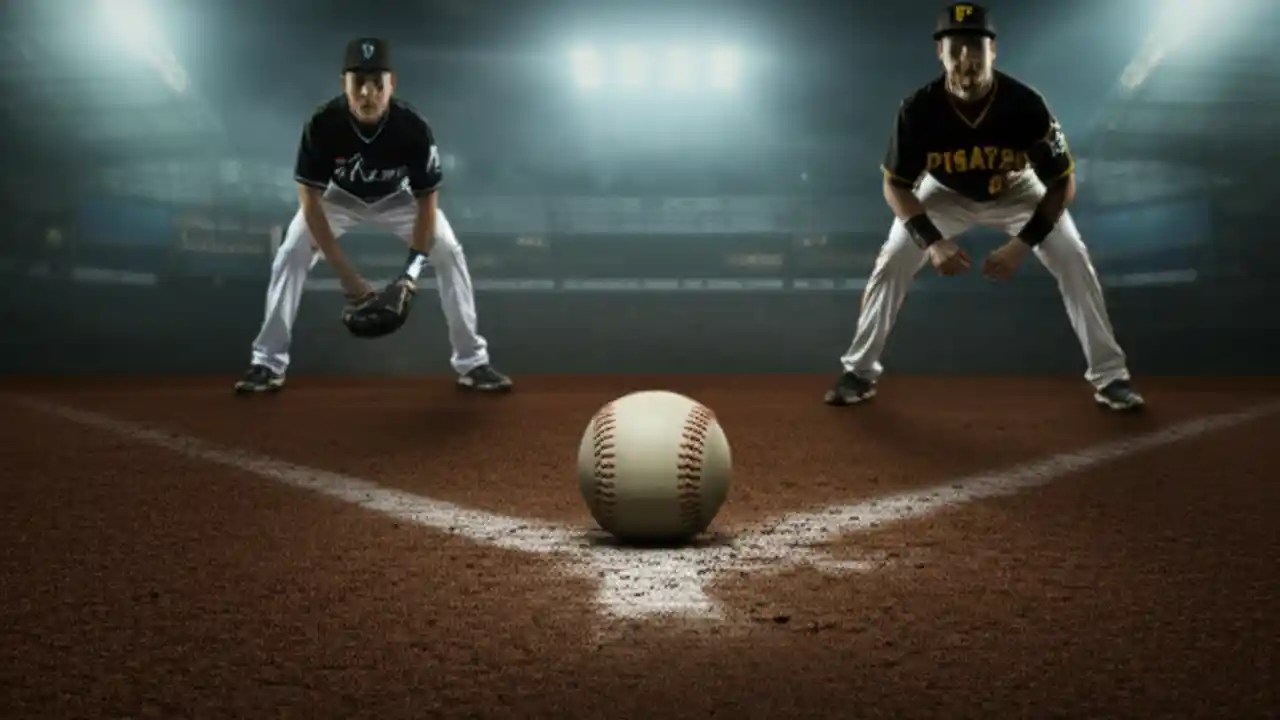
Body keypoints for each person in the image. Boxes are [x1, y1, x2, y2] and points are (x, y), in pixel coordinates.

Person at [826, 3, 1144, 412]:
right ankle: (859, 371)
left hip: (1018, 189)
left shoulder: (1025, 104)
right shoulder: (918, 109)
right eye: (954, 47)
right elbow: (896, 186)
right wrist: (932, 242)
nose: (965, 58)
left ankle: (1111, 377)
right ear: (939, 52)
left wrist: (1022, 245)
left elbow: (1062, 183)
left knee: (1073, 257)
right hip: (943, 193)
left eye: (975, 46)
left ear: (993, 50)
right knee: (893, 259)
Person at [234, 37, 512, 395]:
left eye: (377, 82)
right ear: (343, 84)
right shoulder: (322, 123)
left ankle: (473, 362)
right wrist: (348, 277)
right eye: (358, 82)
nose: (368, 92)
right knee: (291, 253)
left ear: (392, 84)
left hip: (399, 199)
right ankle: (267, 362)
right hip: (338, 199)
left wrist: (409, 277)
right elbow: (310, 202)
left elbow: (427, 203)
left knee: (449, 252)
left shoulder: (412, 127)